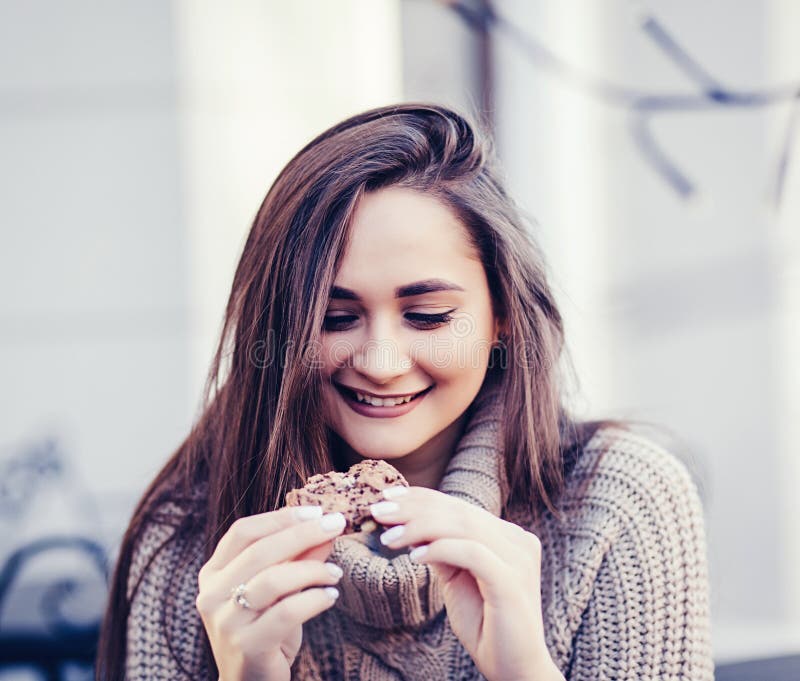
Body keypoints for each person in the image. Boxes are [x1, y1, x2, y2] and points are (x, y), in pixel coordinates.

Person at [95, 103, 714, 681]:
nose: (383, 363)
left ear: (501, 314)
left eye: (428, 316)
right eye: (335, 319)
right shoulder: (195, 538)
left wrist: (526, 669)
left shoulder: (618, 504)